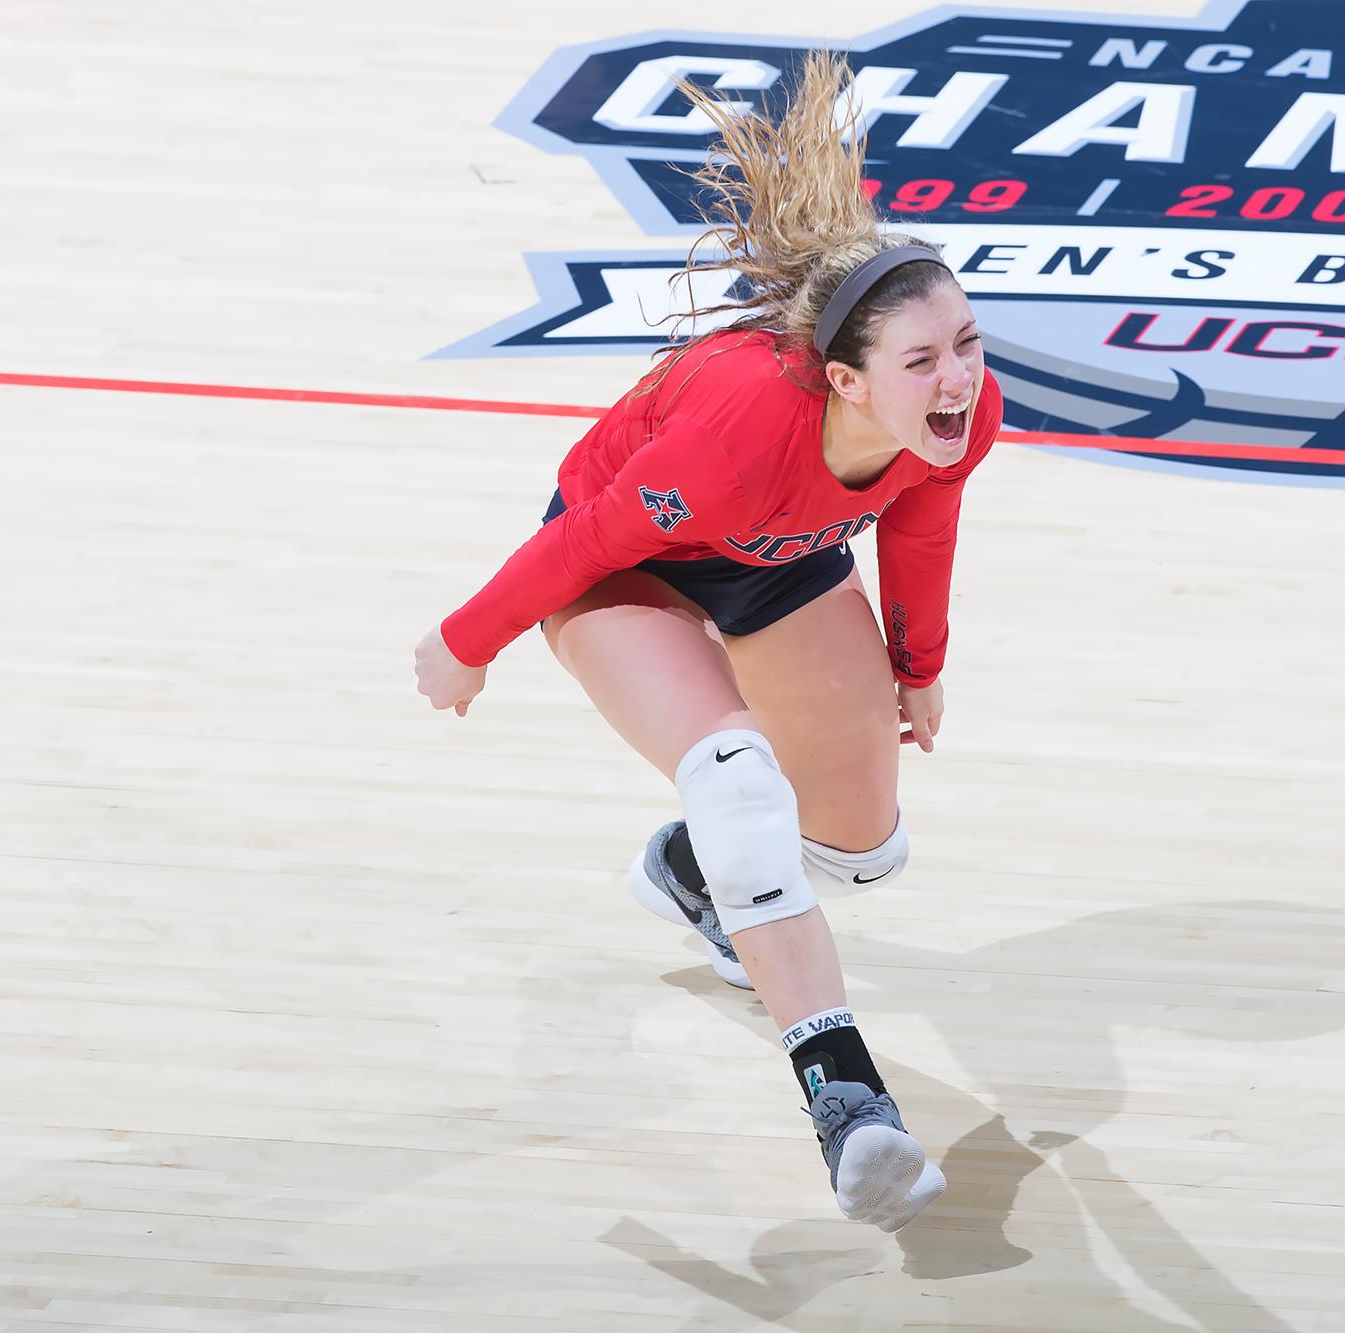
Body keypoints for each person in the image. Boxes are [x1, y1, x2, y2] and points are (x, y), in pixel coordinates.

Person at [411, 50, 1002, 1234]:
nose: (957, 380)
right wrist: (466, 639)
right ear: (843, 377)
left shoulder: (961, 412)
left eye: (967, 344)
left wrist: (919, 668)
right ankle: (849, 1106)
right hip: (628, 566)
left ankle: (688, 873)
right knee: (738, 781)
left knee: (858, 847)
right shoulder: (735, 430)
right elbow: (581, 542)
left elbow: (924, 518)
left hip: (776, 563)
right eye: (922, 360)